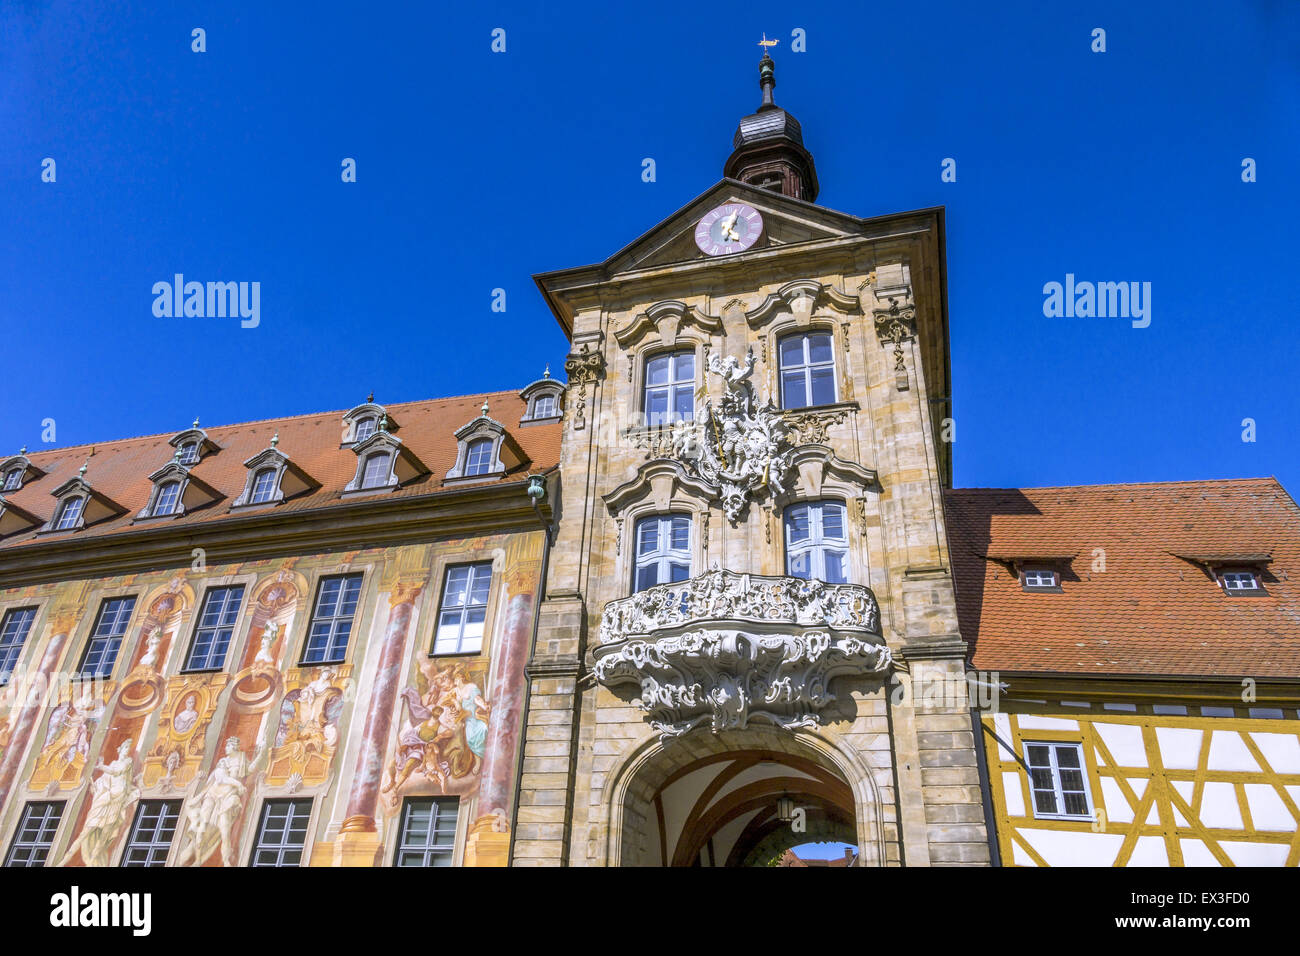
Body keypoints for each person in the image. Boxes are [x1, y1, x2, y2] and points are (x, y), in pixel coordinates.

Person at [175, 736, 262, 867]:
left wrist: (261, 754)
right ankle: (197, 860)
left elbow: (250, 770)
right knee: (202, 828)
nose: (226, 748)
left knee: (225, 831)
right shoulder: (223, 761)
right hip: (213, 795)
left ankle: (226, 861)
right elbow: (221, 779)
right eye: (226, 746)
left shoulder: (242, 759)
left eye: (228, 746)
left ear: (234, 747)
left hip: (229, 796)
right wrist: (238, 785)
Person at [58, 738, 139, 867]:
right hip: (106, 799)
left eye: (128, 749)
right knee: (85, 832)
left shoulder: (128, 762)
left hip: (117, 798)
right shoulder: (112, 763)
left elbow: (116, 772)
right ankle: (64, 861)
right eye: (124, 748)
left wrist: (101, 767)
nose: (126, 751)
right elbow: (104, 780)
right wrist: (96, 786)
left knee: (104, 837)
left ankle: (93, 861)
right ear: (120, 750)